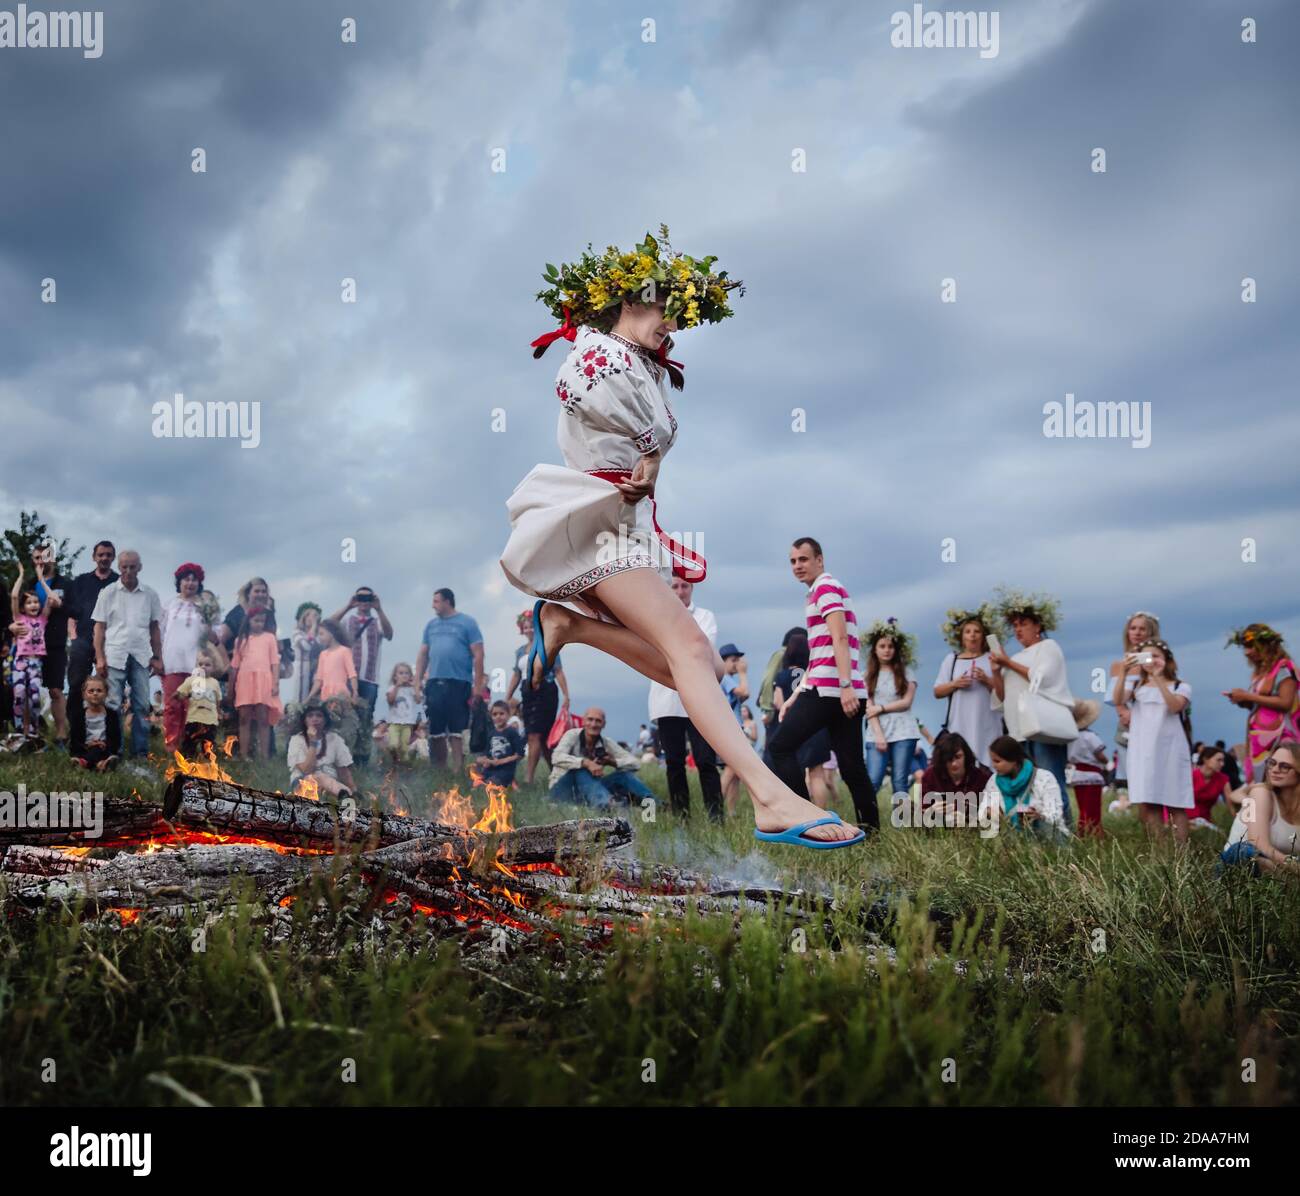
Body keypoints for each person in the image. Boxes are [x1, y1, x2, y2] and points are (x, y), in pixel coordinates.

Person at [501, 232, 865, 846]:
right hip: (600, 524)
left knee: (684, 670)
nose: (675, 329)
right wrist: (647, 446)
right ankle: (771, 797)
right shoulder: (597, 349)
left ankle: (570, 627)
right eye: (670, 312)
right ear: (631, 298)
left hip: (628, 526)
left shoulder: (644, 366)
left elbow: (648, 438)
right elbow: (574, 384)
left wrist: (652, 456)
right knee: (694, 651)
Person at [989, 589, 1075, 829]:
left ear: (1037, 625)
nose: (1018, 629)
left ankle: (1063, 832)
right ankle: (1036, 833)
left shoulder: (1049, 646)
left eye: (1023, 623)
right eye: (1015, 625)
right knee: (1028, 785)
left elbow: (1041, 677)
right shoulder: (1015, 656)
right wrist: (997, 671)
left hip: (1044, 726)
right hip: (1019, 729)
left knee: (1051, 781)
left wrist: (1007, 662)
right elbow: (1001, 697)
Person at [647, 578, 723, 820]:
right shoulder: (656, 616)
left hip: (698, 699)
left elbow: (703, 650)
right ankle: (682, 817)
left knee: (706, 761)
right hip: (666, 699)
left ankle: (716, 816)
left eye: (684, 586)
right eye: (675, 587)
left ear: (692, 588)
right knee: (674, 762)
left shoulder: (705, 616)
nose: (680, 592)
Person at [1115, 638, 1193, 843]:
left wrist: (1157, 678)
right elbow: (1117, 700)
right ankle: (1160, 850)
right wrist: (1123, 672)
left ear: (1167, 659)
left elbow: (1175, 707)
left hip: (1171, 749)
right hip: (1143, 749)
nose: (1152, 661)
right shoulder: (1137, 685)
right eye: (1147, 657)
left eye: (1156, 656)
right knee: (1151, 803)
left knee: (1176, 802)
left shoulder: (1181, 685)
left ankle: (1181, 852)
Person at [91, 550, 163, 759]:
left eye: (133, 566)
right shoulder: (108, 592)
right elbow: (99, 628)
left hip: (141, 655)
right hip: (114, 654)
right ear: (119, 567)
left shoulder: (150, 594)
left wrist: (157, 656)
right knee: (113, 704)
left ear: (139, 567)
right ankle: (114, 750)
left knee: (141, 705)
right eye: (124, 567)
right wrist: (100, 657)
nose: (129, 571)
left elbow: (154, 628)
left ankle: (140, 752)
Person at [414, 588, 484, 772]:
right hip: (434, 681)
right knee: (436, 729)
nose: (433, 605)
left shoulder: (467, 623)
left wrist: (478, 687)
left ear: (447, 601)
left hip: (459, 682)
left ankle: (458, 769)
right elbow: (422, 655)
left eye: (436, 601)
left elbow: (478, 654)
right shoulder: (431, 625)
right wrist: (417, 683)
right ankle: (441, 769)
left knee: (457, 729)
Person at [1224, 624, 1299, 785]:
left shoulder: (1284, 668)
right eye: (1244, 647)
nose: (1247, 652)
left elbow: (1286, 702)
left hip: (1281, 737)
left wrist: (1248, 695)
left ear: (1266, 645)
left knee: (1280, 784)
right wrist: (1243, 701)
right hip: (1259, 741)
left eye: (1251, 646)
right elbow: (1260, 705)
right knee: (1262, 786)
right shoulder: (1259, 673)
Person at [505, 607, 570, 783]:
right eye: (525, 627)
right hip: (527, 692)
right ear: (522, 629)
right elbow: (517, 675)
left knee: (537, 735)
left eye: (531, 626)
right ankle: (557, 775)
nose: (529, 629)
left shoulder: (548, 644)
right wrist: (507, 696)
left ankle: (529, 778)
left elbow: (558, 671)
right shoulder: (519, 651)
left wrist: (566, 696)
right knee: (539, 737)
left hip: (546, 690)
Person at [934, 606, 1003, 767]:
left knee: (988, 765)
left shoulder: (992, 658)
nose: (972, 635)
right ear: (962, 637)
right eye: (968, 631)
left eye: (977, 631)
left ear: (983, 636)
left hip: (987, 722)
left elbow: (1003, 694)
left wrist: (986, 680)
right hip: (959, 722)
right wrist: (955, 684)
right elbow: (937, 691)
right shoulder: (952, 660)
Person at [771, 634, 834, 809]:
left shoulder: (782, 676)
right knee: (817, 774)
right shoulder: (813, 673)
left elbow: (778, 703)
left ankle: (803, 811)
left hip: (795, 726)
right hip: (817, 727)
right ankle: (822, 814)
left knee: (795, 771)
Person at [159, 562, 217, 751]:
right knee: (173, 705)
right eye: (186, 579)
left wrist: (209, 621)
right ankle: (171, 744)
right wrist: (157, 658)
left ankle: (190, 746)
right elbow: (159, 632)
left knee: (195, 706)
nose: (190, 583)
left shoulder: (204, 607)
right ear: (179, 581)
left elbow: (214, 637)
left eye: (194, 580)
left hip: (197, 666)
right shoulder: (169, 604)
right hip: (172, 662)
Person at [548, 707, 655, 808]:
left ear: (604, 724)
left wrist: (612, 762)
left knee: (623, 776)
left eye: (598, 721)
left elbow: (635, 763)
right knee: (581, 770)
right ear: (583, 721)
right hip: (563, 788)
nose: (593, 724)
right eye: (590, 720)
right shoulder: (572, 735)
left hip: (591, 790)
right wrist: (586, 763)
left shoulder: (606, 742)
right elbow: (556, 757)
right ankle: (606, 806)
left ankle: (655, 805)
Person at [1220, 740, 1300, 875]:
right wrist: (1295, 867)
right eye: (1272, 763)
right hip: (1237, 865)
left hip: (1276, 869)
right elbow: (1259, 844)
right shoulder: (1261, 792)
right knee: (1247, 852)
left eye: (1284, 766)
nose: (1275, 770)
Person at [863, 618, 921, 804]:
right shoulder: (867, 676)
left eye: (890, 646)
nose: (887, 650)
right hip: (877, 731)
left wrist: (882, 708)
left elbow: (906, 702)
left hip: (903, 730)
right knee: (873, 780)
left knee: (900, 780)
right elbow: (868, 708)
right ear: (875, 649)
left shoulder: (906, 672)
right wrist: (879, 735)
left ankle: (902, 824)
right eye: (882, 646)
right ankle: (867, 823)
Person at [62, 540, 118, 731]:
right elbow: (69, 610)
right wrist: (73, 635)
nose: (104, 558)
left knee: (111, 686)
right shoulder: (80, 582)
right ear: (94, 557)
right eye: (101, 554)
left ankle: (109, 733)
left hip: (111, 641)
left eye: (108, 555)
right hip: (83, 638)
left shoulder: (119, 583)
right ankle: (75, 730)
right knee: (77, 683)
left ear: (113, 557)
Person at [1108, 611, 1160, 793]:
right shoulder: (1118, 664)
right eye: (1133, 628)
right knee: (1130, 772)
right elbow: (1114, 695)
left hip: (1152, 718)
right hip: (1128, 721)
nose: (1137, 633)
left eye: (1142, 629)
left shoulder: (1157, 660)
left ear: (1150, 632)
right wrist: (1122, 711)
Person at [978, 735, 1068, 840]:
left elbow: (1056, 814)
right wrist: (990, 812)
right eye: (992, 761)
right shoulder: (994, 780)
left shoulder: (1044, 777)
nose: (993, 765)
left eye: (997, 761)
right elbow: (984, 807)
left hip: (1048, 838)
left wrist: (1038, 816)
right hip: (1011, 841)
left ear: (1014, 760)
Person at [331, 586, 394, 725]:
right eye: (361, 598)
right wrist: (348, 606)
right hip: (348, 677)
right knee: (345, 718)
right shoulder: (348, 620)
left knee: (365, 720)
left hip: (370, 678)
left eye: (367, 598)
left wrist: (379, 609)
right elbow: (329, 624)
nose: (364, 601)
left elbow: (389, 634)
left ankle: (363, 746)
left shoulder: (377, 622)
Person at [31, 543, 73, 746]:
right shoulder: (30, 583)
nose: (40, 562)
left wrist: (59, 604)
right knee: (28, 688)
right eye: (36, 558)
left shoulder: (64, 583)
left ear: (52, 559)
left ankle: (61, 735)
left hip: (55, 643)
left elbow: (66, 606)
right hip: (30, 644)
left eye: (43, 558)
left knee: (55, 690)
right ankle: (32, 733)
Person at [228, 607, 283, 759]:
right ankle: (244, 754)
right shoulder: (240, 640)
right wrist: (231, 689)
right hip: (245, 680)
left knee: (263, 718)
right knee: (244, 718)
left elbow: (275, 662)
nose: (259, 624)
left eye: (262, 621)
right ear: (249, 621)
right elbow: (235, 665)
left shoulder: (269, 638)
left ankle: (264, 755)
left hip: (263, 680)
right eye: (256, 620)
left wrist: (276, 683)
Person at [918, 731, 992, 828]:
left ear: (966, 755)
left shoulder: (980, 777)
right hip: (938, 826)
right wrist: (931, 811)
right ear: (942, 759)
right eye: (949, 759)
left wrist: (969, 816)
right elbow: (922, 811)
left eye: (958, 757)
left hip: (971, 826)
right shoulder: (930, 776)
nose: (954, 764)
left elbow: (990, 812)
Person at [8, 563, 48, 739]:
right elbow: (15, 596)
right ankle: (18, 732)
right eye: (29, 602)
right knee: (18, 696)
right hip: (19, 662)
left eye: (36, 601)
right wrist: (21, 574)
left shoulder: (43, 619)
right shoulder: (19, 618)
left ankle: (33, 732)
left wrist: (41, 578)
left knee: (34, 698)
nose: (34, 605)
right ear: (24, 608)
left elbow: (51, 597)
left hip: (35, 663)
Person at [286, 701, 355, 797]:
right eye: (310, 716)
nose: (315, 719)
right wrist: (313, 742)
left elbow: (343, 771)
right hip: (303, 784)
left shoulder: (335, 739)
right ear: (304, 720)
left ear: (325, 720)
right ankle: (344, 795)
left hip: (330, 785)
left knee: (328, 783)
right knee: (319, 778)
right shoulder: (296, 740)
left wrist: (353, 788)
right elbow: (307, 769)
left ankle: (349, 796)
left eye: (319, 716)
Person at [1065, 699, 1108, 836]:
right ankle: (1094, 831)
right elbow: (1100, 755)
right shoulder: (1090, 737)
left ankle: (1083, 828)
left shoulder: (1070, 737)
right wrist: (1105, 761)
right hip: (1092, 775)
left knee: (1083, 805)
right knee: (1093, 807)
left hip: (1077, 776)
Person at [718, 643, 750, 814]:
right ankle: (717, 808)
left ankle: (731, 812)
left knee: (735, 774)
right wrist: (744, 674)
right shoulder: (724, 676)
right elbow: (744, 692)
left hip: (731, 728)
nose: (737, 664)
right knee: (731, 769)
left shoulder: (726, 678)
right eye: (733, 660)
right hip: (731, 729)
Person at [175, 649, 223, 759]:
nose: (203, 667)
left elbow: (218, 700)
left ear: (214, 668)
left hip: (210, 721)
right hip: (193, 719)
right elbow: (182, 693)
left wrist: (219, 714)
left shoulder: (215, 683)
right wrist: (177, 696)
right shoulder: (192, 680)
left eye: (207, 665)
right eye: (200, 664)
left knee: (208, 745)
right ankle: (187, 761)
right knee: (189, 743)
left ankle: (208, 763)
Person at [68, 674, 120, 771]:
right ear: (84, 694)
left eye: (99, 690)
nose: (95, 693)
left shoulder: (112, 715)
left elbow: (116, 738)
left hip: (105, 749)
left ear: (106, 693)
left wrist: (104, 744)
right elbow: (74, 738)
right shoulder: (78, 715)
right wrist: (87, 745)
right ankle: (100, 764)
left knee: (102, 752)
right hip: (84, 749)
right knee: (90, 751)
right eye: (91, 691)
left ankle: (85, 763)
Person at [475, 700, 526, 787]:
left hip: (505, 770)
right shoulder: (491, 733)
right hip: (490, 768)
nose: (498, 717)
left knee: (492, 783)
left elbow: (520, 754)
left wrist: (501, 761)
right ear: (491, 716)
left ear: (508, 715)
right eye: (495, 714)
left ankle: (509, 782)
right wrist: (484, 760)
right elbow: (487, 753)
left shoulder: (512, 732)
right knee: (475, 779)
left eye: (501, 714)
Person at [218, 577, 278, 646]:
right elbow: (220, 639)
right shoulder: (237, 613)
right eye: (257, 591)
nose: (260, 594)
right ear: (248, 594)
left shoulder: (269, 614)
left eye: (263, 591)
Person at [310, 618, 357, 701]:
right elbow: (319, 680)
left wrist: (355, 692)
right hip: (325, 694)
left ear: (331, 634)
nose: (319, 638)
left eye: (321, 634)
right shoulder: (323, 654)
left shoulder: (344, 651)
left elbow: (352, 674)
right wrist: (309, 697)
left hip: (341, 694)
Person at [384, 661, 420, 768]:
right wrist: (397, 687)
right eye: (401, 673)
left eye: (406, 673)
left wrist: (415, 686)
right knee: (393, 744)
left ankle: (404, 765)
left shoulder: (411, 689)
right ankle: (394, 759)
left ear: (410, 676)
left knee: (404, 747)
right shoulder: (392, 688)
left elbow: (418, 700)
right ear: (395, 676)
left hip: (407, 723)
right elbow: (390, 700)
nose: (404, 675)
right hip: (394, 723)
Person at [1191, 744, 1235, 828]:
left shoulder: (1223, 779)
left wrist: (1238, 824)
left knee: (1220, 835)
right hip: (1184, 820)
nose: (1222, 764)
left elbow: (1230, 804)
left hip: (1204, 822)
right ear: (1206, 759)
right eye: (1218, 760)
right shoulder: (1191, 776)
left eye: (1223, 761)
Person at [289, 602, 323, 704]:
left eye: (315, 616)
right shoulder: (297, 633)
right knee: (301, 699)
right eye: (308, 615)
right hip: (302, 669)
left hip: (316, 670)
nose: (311, 618)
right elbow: (306, 646)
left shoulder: (321, 635)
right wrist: (313, 627)